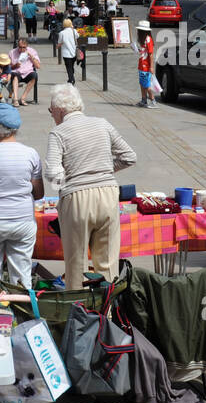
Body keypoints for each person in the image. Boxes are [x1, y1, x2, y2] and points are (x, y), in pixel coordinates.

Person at [44, 84, 137, 289]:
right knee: (107, 263)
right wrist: (104, 170)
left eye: (51, 111)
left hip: (76, 197)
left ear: (59, 110)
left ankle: (79, 313)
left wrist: (67, 181)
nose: (52, 116)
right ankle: (107, 312)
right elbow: (130, 157)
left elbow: (52, 173)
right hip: (107, 194)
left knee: (76, 263)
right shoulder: (102, 124)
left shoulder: (58, 132)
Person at [0, 103, 43, 288]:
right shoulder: (31, 154)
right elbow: (39, 193)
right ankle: (23, 310)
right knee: (22, 272)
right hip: (22, 220)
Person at [10, 35, 41, 107]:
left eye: (24, 47)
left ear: (27, 46)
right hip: (17, 72)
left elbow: (38, 66)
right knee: (15, 77)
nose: (21, 49)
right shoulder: (12, 52)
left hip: (28, 72)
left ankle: (23, 98)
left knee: (34, 75)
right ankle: (15, 99)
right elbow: (8, 67)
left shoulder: (32, 51)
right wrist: (15, 66)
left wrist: (30, 56)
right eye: (20, 47)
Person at [135, 21, 156, 107]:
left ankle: (153, 100)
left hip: (146, 66)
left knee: (146, 84)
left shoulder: (148, 39)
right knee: (142, 83)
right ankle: (144, 100)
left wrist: (151, 67)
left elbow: (151, 54)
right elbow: (145, 52)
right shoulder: (144, 39)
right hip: (141, 64)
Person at [58, 17, 80, 85]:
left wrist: (58, 46)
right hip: (73, 52)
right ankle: (71, 78)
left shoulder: (62, 33)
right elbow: (77, 36)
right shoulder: (74, 31)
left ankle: (71, 79)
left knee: (68, 67)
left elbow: (60, 42)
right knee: (71, 66)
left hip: (66, 53)